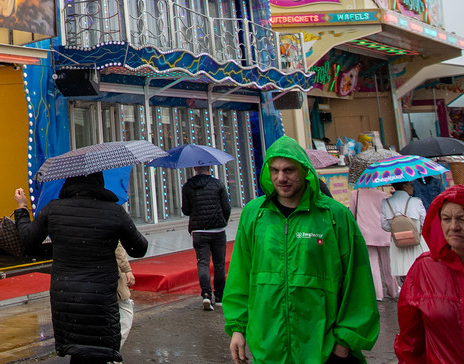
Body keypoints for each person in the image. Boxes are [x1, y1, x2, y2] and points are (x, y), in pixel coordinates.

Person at [224, 136, 378, 364]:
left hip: (323, 350)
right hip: (269, 349)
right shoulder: (253, 215)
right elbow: (240, 277)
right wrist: (238, 328)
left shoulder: (335, 217)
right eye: (274, 170)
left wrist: (343, 343)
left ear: (305, 171)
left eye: (289, 170)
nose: (281, 178)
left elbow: (357, 283)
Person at [14, 173, 148, 364]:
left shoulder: (54, 209)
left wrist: (22, 207)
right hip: (100, 297)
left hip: (67, 297)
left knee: (77, 350)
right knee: (98, 351)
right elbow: (139, 248)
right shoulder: (114, 212)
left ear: (69, 183)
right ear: (100, 183)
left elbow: (28, 240)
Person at [395, 184, 464, 363]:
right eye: (446, 219)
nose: (454, 226)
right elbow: (410, 343)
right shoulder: (424, 269)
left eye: (462, 218)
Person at [181, 165, 231, 310]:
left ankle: (206, 295)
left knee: (203, 263)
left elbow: (186, 210)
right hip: (217, 230)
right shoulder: (218, 184)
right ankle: (220, 296)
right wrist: (222, 221)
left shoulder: (188, 186)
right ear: (209, 167)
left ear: (195, 168)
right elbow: (226, 208)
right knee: (219, 264)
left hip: (199, 230)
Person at [380, 181, 429, 288]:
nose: (413, 187)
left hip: (398, 244)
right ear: (404, 186)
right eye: (411, 185)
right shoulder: (416, 201)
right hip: (416, 243)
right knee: (420, 274)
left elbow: (385, 226)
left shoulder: (386, 203)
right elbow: (424, 222)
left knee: (405, 279)